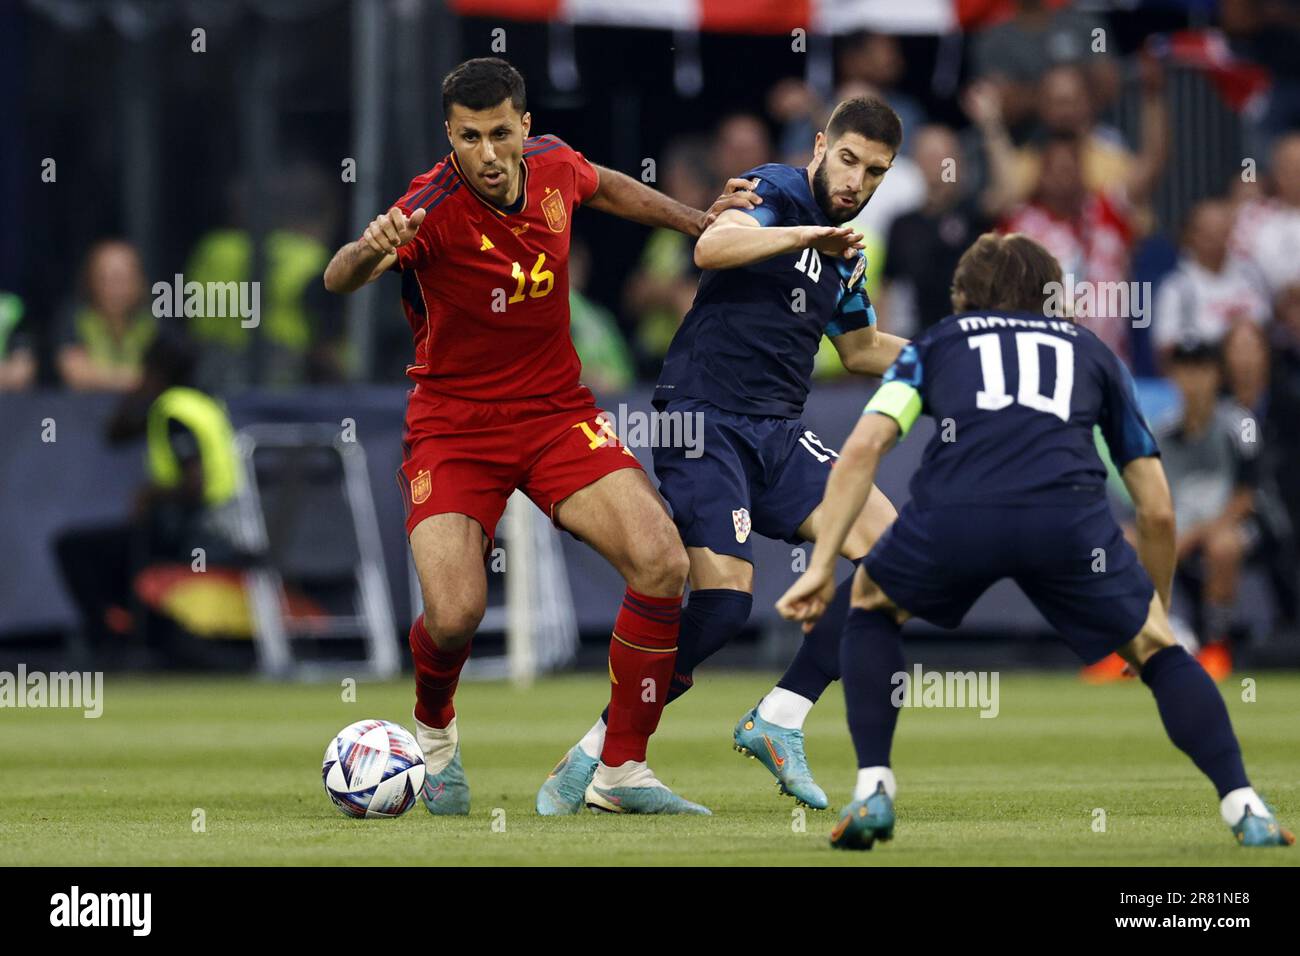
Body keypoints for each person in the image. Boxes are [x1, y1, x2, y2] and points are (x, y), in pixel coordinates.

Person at [322, 58, 757, 816]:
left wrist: (695, 221)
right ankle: (434, 734)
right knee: (454, 615)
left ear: (525, 127)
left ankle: (621, 771)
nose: (487, 154)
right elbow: (338, 278)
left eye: (500, 134)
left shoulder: (555, 165)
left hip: (556, 415)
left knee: (661, 562)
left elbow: (606, 185)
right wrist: (368, 246)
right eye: (469, 137)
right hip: (454, 427)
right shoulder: (427, 207)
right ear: (449, 136)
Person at [777, 232, 1293, 850]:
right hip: (1067, 519)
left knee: (870, 606)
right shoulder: (1092, 353)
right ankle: (1245, 807)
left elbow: (864, 447)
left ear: (969, 294)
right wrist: (1151, 608)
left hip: (956, 515)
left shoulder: (940, 343)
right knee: (1161, 653)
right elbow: (1156, 509)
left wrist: (822, 562)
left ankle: (873, 789)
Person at [537, 96, 908, 815]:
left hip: (778, 432)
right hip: (703, 420)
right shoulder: (778, 189)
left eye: (875, 172)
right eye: (848, 160)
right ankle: (606, 752)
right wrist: (805, 235)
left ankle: (781, 716)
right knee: (724, 606)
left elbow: (861, 349)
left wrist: (948, 356)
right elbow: (712, 246)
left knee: (894, 558)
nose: (856, 182)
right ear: (821, 145)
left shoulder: (844, 250)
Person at [54, 329, 244, 664]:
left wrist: (150, 494)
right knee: (114, 557)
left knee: (74, 550)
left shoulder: (175, 412)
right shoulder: (200, 404)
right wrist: (142, 390)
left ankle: (111, 644)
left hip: (197, 532)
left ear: (153, 369)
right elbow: (116, 433)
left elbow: (195, 484)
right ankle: (156, 637)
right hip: (225, 525)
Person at [1153, 199, 1269, 371]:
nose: (1216, 241)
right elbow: (1166, 351)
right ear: (1191, 236)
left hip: (1257, 372)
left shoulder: (1251, 274)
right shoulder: (1176, 288)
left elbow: (1270, 326)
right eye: (1208, 234)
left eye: (1222, 232)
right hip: (1204, 372)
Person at [58, 239, 156, 392]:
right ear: (91, 281)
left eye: (124, 279)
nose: (116, 289)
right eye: (107, 278)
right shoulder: (76, 318)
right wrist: (135, 378)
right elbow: (75, 373)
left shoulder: (153, 322)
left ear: (140, 281)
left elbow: (166, 375)